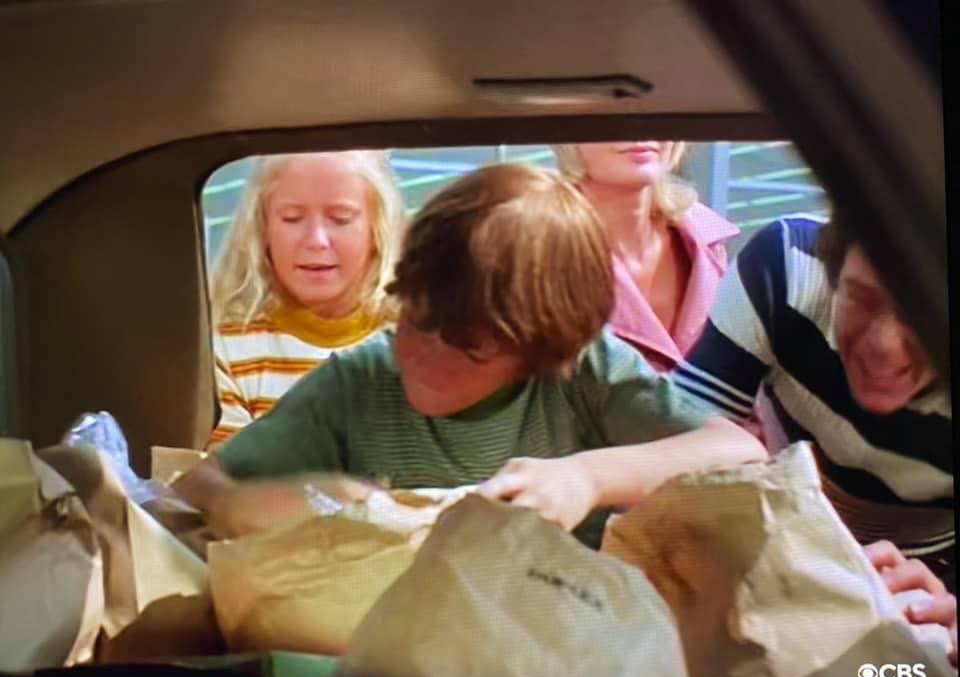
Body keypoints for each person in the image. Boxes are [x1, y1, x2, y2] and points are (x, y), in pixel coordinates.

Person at [174, 163, 767, 547]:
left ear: (541, 348)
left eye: (465, 349)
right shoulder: (359, 382)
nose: (420, 355)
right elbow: (198, 485)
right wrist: (268, 505)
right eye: (414, 321)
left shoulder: (583, 373)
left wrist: (586, 478)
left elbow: (740, 453)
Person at [672, 214, 954, 591]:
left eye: (925, 319)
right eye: (861, 298)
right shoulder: (787, 267)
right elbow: (675, 442)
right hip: (788, 541)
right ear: (833, 272)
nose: (885, 346)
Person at [207, 150, 405, 447]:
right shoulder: (224, 345)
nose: (315, 240)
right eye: (292, 218)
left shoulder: (418, 336)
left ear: (378, 230)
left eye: (340, 219)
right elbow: (225, 481)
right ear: (261, 229)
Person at [552, 142, 739, 371]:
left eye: (654, 112)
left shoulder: (707, 237)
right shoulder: (541, 247)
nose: (640, 131)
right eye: (615, 114)